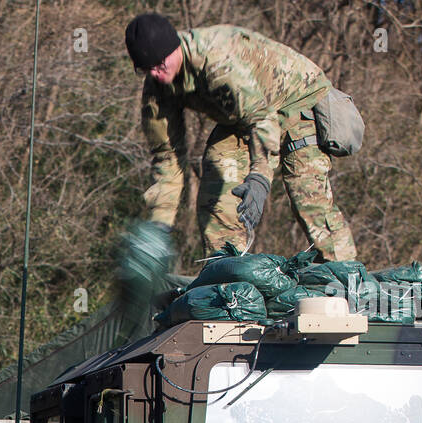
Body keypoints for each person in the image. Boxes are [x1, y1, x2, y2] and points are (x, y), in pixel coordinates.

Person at [126, 12, 358, 261]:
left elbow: (261, 118)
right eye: (147, 70)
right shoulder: (157, 89)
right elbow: (167, 155)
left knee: (306, 192)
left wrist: (259, 178)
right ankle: (227, 277)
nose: (157, 74)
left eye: (161, 65)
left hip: (298, 101)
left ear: (176, 49)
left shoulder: (217, 61)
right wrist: (160, 225)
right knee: (217, 189)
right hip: (241, 117)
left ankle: (344, 273)